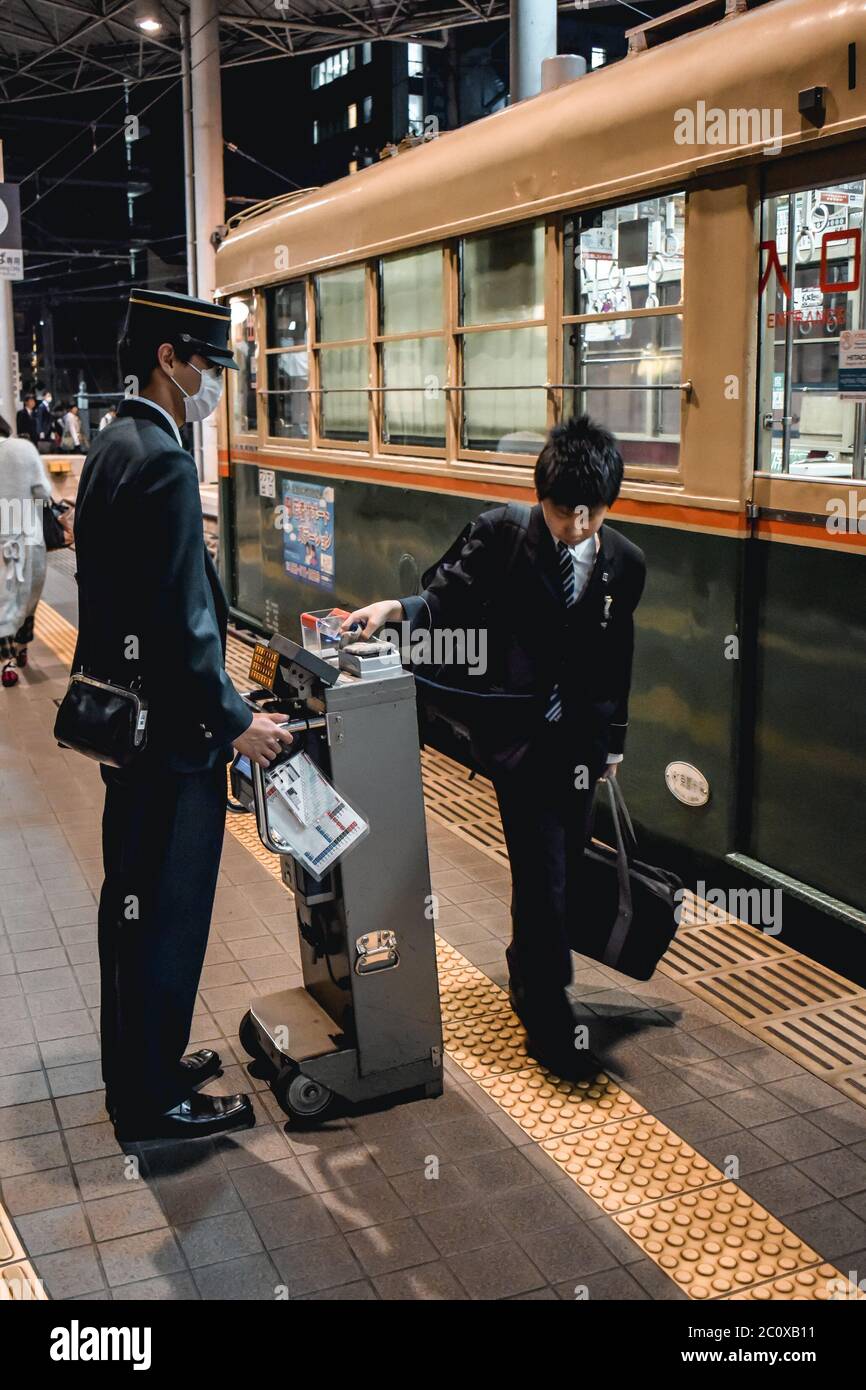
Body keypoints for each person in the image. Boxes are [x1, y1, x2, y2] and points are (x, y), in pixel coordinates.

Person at [344, 415, 646, 1076]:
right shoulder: (503, 535)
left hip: (582, 744)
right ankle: (546, 1009)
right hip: (519, 739)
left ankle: (526, 970)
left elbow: (618, 655)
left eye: (589, 515)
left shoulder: (625, 563)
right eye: (562, 512)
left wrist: (614, 742)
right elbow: (443, 598)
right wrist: (392, 611)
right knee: (544, 872)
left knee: (561, 860)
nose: (575, 527)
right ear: (541, 498)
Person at [71, 287, 293, 1143]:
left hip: (124, 730)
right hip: (171, 742)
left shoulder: (113, 444)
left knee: (128, 904)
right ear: (169, 358)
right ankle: (153, 1104)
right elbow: (179, 628)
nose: (214, 383)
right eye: (207, 364)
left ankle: (137, 1068)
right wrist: (239, 721)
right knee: (166, 914)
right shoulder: (162, 460)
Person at [0, 433, 53, 676]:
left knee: (3, 602)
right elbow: (43, 492)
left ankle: (6, 664)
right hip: (27, 538)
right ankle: (21, 648)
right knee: (27, 600)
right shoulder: (23, 448)